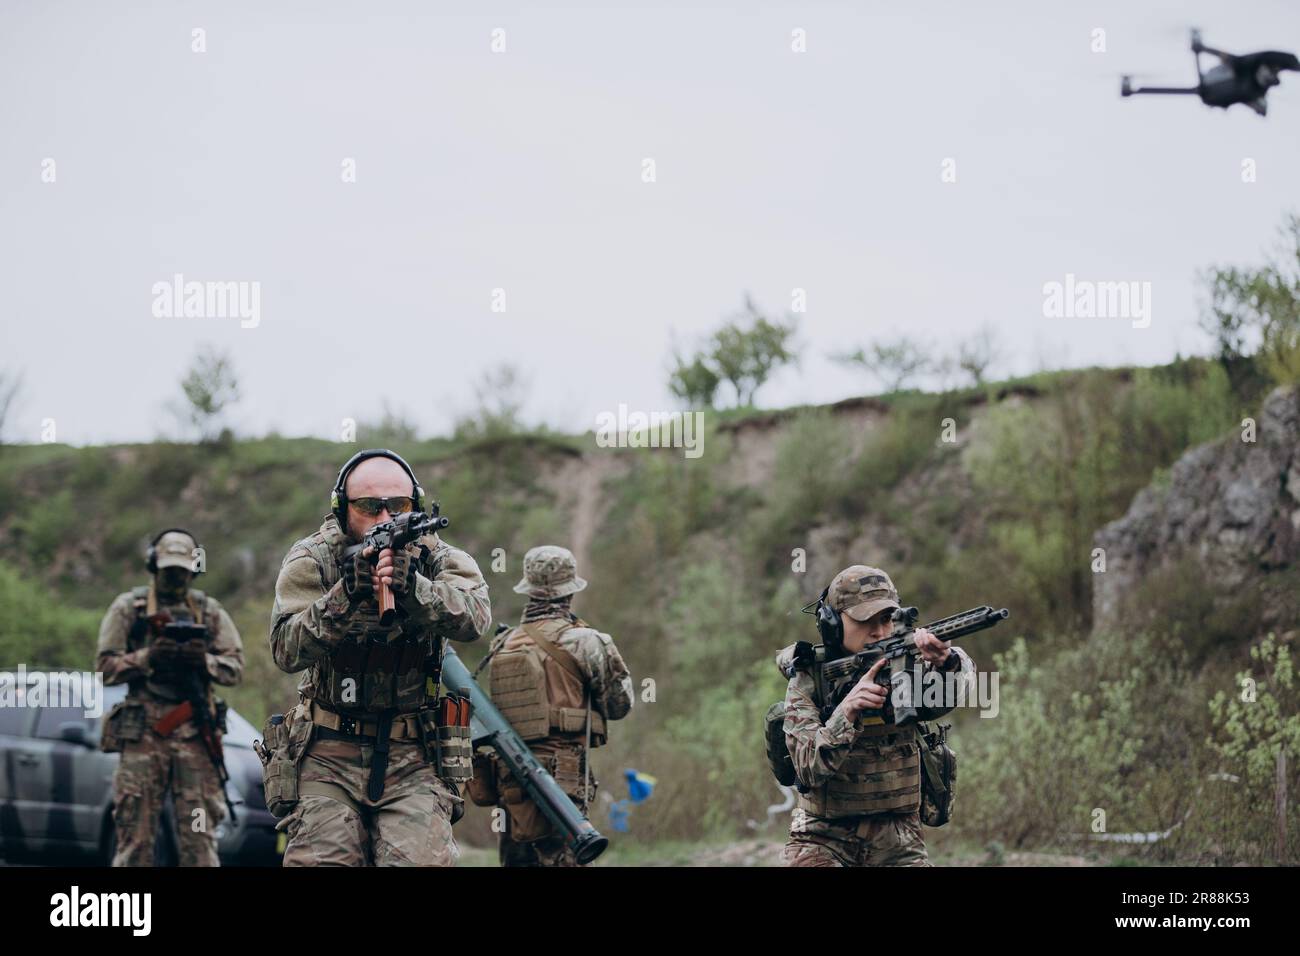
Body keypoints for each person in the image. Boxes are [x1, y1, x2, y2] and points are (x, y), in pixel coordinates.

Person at [269, 448, 490, 866]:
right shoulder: (315, 558)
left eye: (400, 506)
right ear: (342, 509)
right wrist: (343, 597)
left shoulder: (439, 557)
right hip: (327, 751)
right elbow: (285, 648)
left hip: (415, 755)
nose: (385, 518)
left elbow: (475, 620)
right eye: (370, 506)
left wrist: (415, 589)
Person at [780, 564, 974, 867]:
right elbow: (807, 767)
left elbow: (940, 702)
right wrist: (847, 712)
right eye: (864, 619)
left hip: (899, 838)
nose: (878, 631)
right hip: (821, 837)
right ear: (832, 624)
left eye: (886, 619)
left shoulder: (906, 666)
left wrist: (947, 663)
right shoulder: (810, 677)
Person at [474, 545, 632, 867]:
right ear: (570, 592)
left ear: (529, 589)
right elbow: (619, 705)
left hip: (511, 781)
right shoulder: (587, 641)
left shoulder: (503, 644)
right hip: (562, 779)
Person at [96, 528, 244, 866]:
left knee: (199, 836)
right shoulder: (130, 609)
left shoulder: (209, 613)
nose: (176, 577)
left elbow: (234, 667)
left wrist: (202, 660)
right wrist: (149, 657)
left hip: (195, 737)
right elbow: (105, 668)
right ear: (154, 566)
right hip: (144, 737)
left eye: (182, 569)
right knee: (135, 836)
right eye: (169, 569)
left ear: (194, 569)